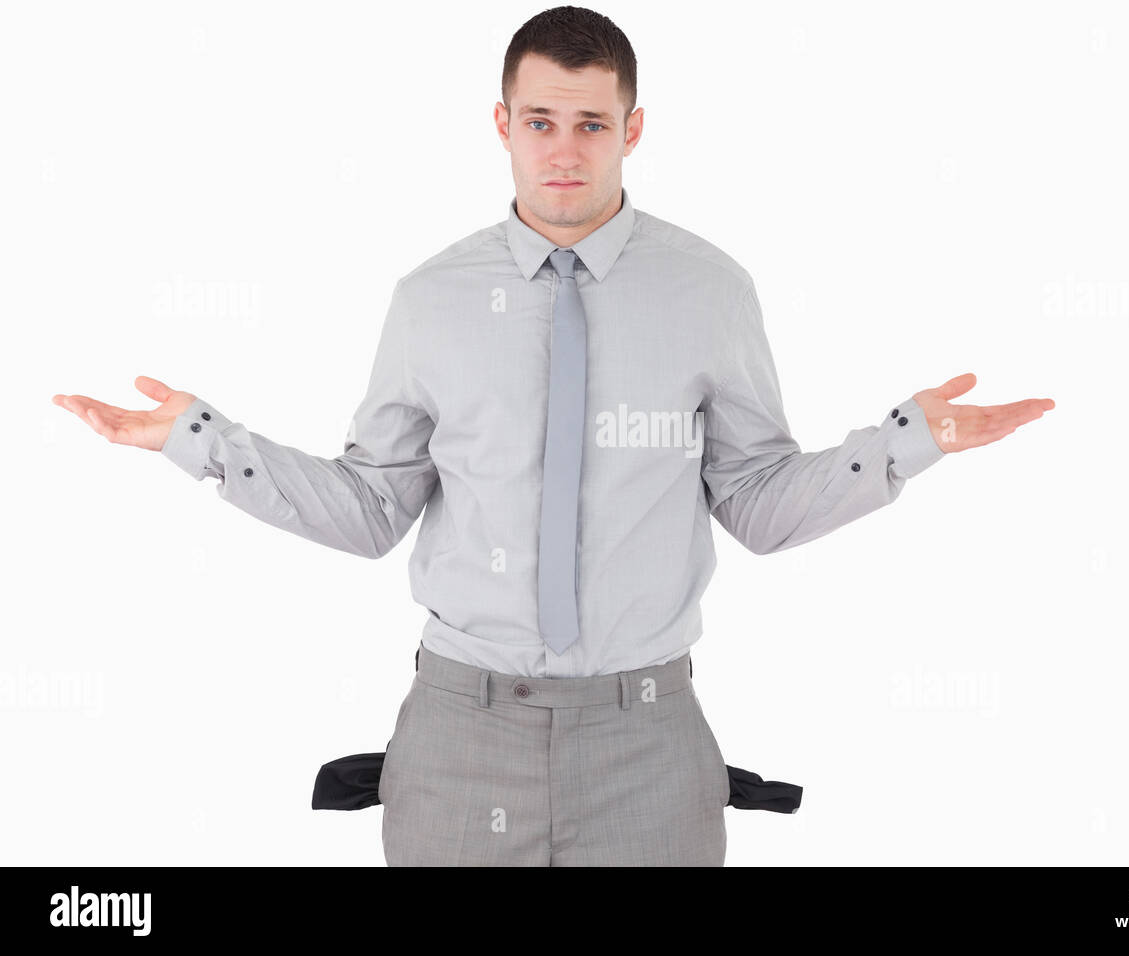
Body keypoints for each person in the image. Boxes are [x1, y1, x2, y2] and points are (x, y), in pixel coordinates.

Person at [51, 5, 1054, 866]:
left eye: (590, 122)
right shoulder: (430, 299)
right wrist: (200, 438)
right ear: (502, 124)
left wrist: (901, 442)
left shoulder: (709, 290)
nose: (564, 149)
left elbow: (754, 500)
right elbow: (367, 510)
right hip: (458, 733)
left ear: (633, 127)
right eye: (540, 121)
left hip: (648, 741)